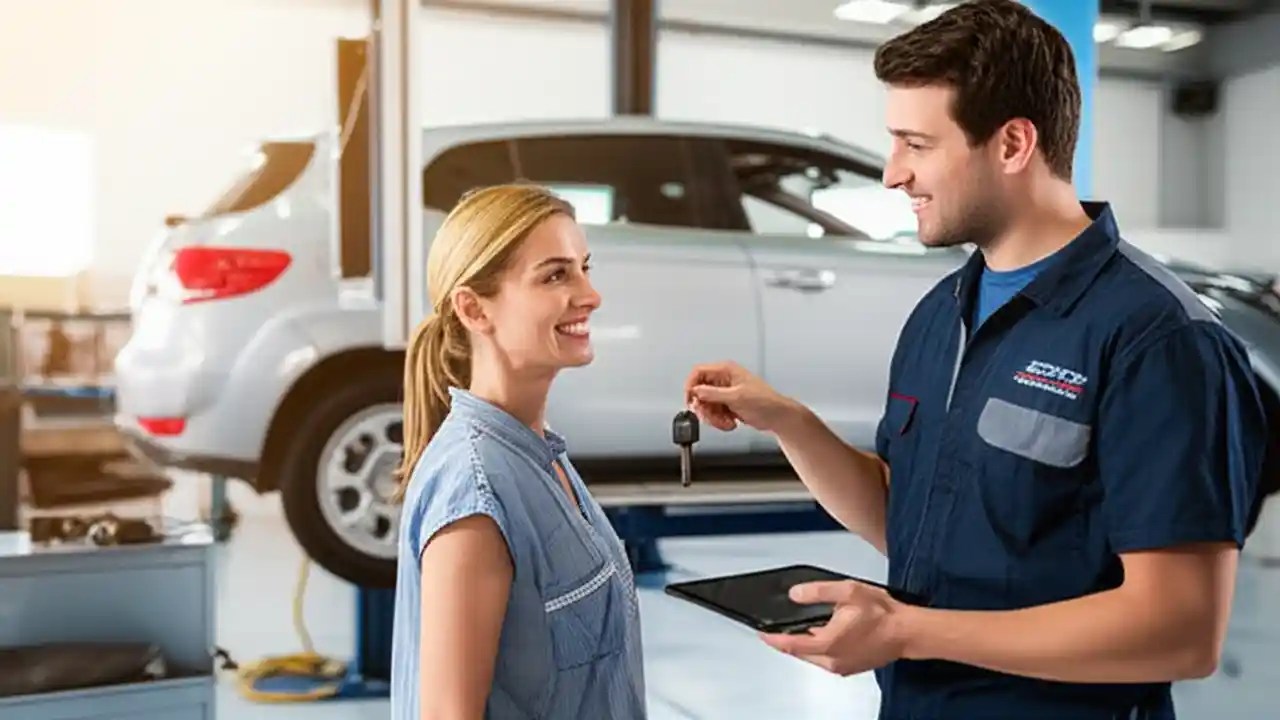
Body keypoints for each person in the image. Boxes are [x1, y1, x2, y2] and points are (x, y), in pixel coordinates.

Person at [684, 1, 1267, 719]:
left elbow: (1179, 631)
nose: (893, 174)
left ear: (1014, 144)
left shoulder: (1158, 339)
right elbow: (907, 520)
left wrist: (906, 632)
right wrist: (788, 421)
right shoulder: (942, 311)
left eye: (916, 145)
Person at [389, 184, 646, 719]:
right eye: (555, 275)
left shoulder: (540, 457)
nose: (590, 295)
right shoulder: (476, 493)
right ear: (473, 309)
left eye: (584, 267)